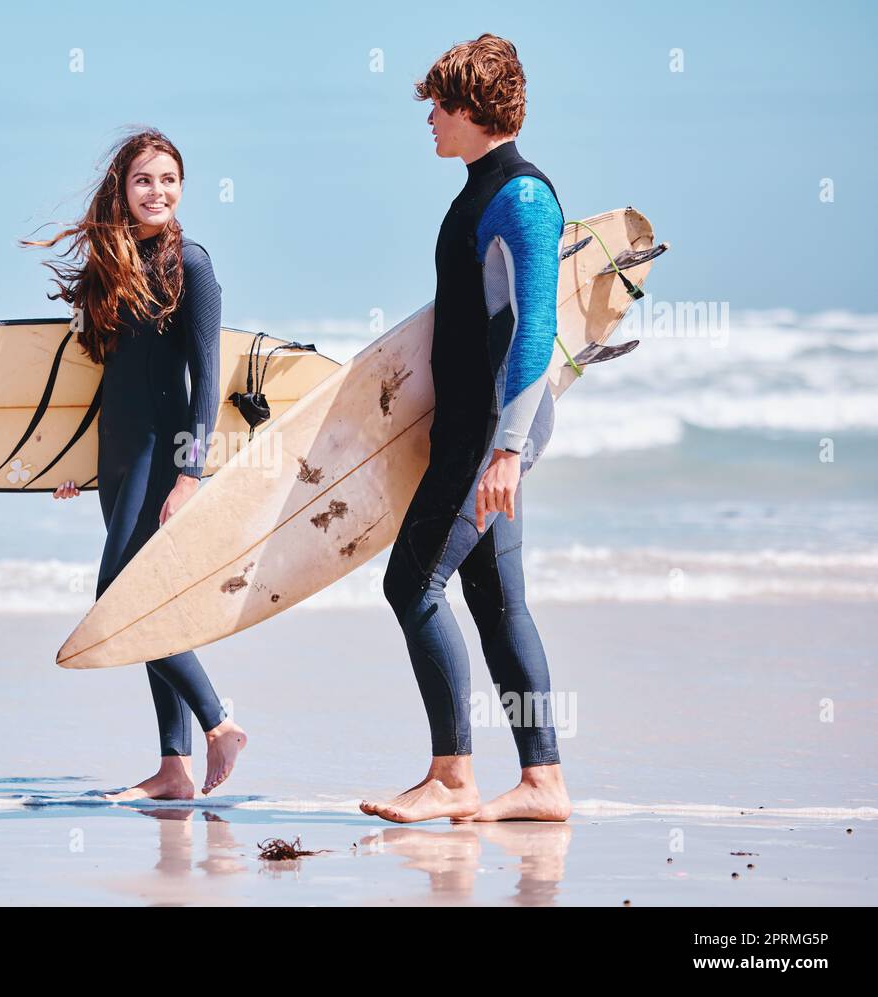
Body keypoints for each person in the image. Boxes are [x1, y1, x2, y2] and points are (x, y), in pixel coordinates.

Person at [363, 35, 573, 823]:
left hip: (492, 428)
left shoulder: (521, 196)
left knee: (412, 584)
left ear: (472, 108)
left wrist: (509, 450)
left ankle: (451, 775)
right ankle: (543, 781)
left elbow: (534, 325)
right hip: (473, 423)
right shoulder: (478, 191)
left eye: (438, 105)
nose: (429, 120)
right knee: (496, 604)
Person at [26, 129, 247, 801]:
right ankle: (174, 767)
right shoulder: (110, 265)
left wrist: (190, 475)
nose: (159, 191)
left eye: (170, 179)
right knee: (150, 604)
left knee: (118, 598)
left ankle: (219, 721)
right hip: (116, 456)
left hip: (162, 451)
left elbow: (206, 381)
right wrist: (74, 463)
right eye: (145, 179)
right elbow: (102, 379)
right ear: (123, 188)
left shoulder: (194, 266)